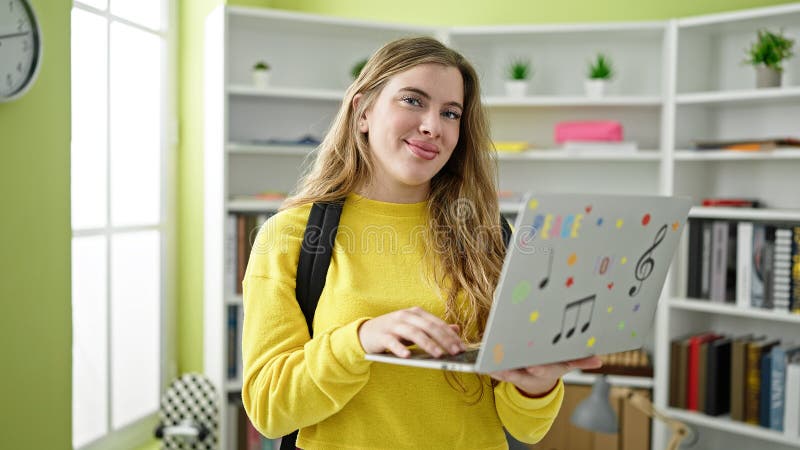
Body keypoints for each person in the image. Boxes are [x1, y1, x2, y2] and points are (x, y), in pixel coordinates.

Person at [241, 36, 602, 449]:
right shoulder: (288, 235)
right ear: (363, 111)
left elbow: (527, 428)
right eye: (413, 101)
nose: (433, 126)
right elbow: (269, 410)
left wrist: (536, 386)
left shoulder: (493, 236)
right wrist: (360, 340)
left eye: (451, 113)